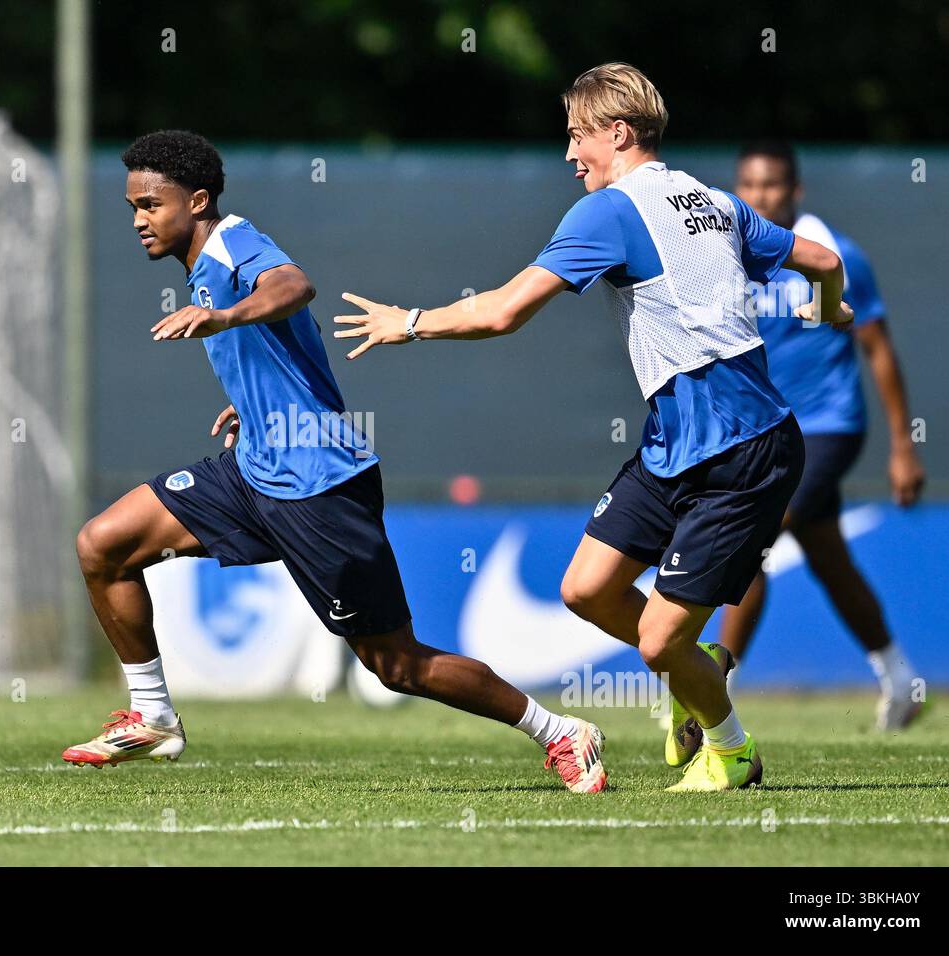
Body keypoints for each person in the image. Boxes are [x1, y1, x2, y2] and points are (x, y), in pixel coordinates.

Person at [334, 64, 852, 791]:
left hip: (744, 450)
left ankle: (731, 750)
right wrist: (828, 307)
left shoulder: (609, 212)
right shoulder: (715, 200)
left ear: (619, 133)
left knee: (657, 643)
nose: (571, 153)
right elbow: (823, 260)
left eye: (579, 135)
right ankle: (697, 664)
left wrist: (412, 322)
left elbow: (503, 311)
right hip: (676, 444)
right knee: (586, 589)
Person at [63, 130, 609, 793]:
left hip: (317, 486)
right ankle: (153, 716)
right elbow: (285, 346)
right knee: (103, 545)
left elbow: (294, 286)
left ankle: (560, 731)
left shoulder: (233, 242)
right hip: (255, 469)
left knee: (396, 666)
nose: (139, 220)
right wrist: (253, 402)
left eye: (151, 205)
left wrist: (225, 317)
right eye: (133, 207)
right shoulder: (203, 264)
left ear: (197, 201)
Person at [724, 140, 925, 730]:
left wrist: (903, 446)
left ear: (796, 190)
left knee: (749, 540)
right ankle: (900, 680)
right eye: (749, 185)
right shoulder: (729, 253)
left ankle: (709, 694)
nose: (759, 196)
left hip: (828, 427)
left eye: (771, 185)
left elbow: (878, 348)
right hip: (767, 432)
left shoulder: (834, 255)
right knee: (828, 558)